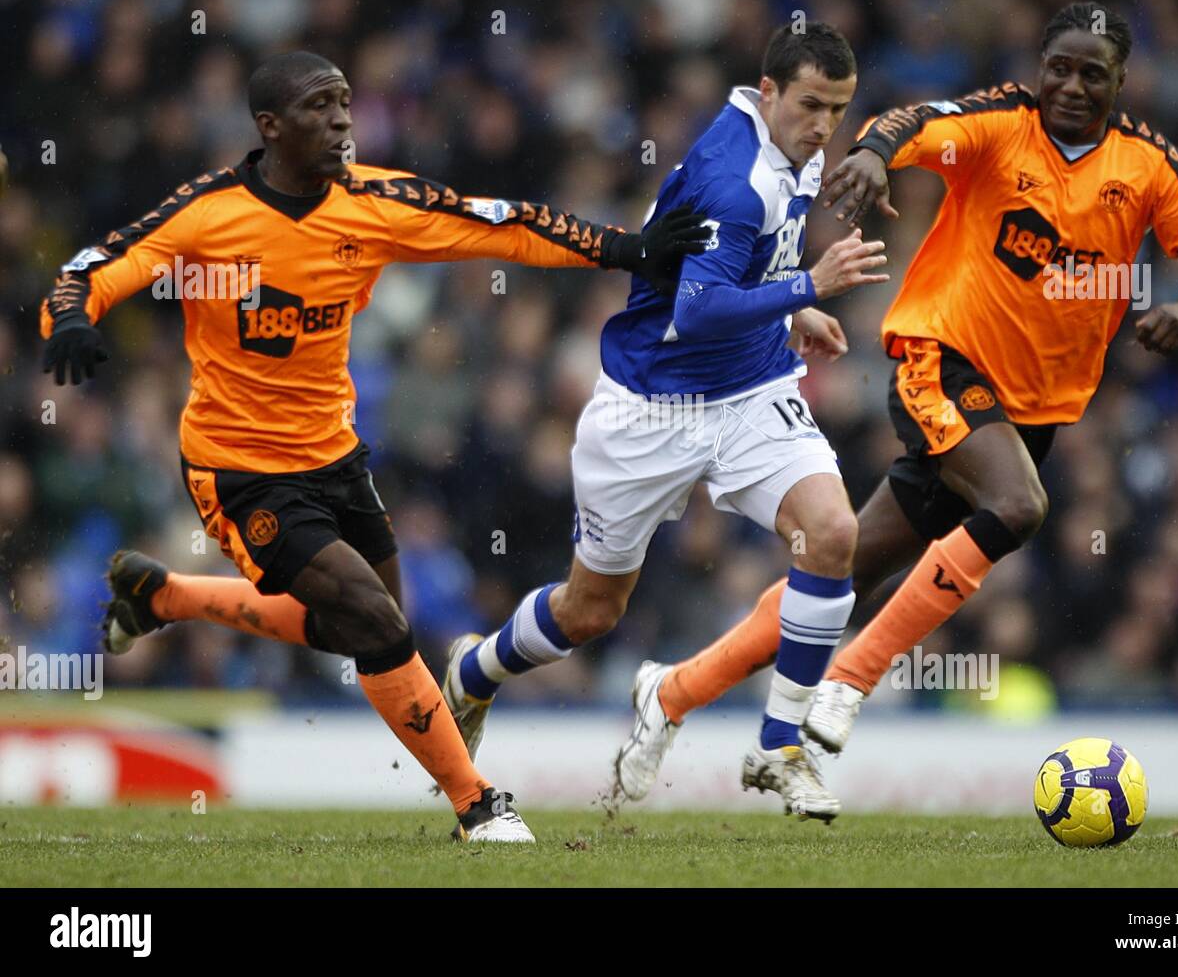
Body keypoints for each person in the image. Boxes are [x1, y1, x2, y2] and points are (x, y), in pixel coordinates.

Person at [40, 50, 708, 843]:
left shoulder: (372, 201)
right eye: (321, 107)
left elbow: (497, 224)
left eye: (346, 104)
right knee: (376, 624)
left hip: (335, 454)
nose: (342, 120)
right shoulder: (209, 213)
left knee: (351, 627)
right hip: (239, 467)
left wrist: (626, 249)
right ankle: (478, 803)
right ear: (270, 127)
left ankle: (168, 597)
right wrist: (72, 319)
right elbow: (100, 265)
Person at [613, 1, 1178, 797]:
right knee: (1020, 507)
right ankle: (851, 679)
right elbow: (912, 121)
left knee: (837, 581)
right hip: (939, 360)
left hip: (1033, 407)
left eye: (1094, 73)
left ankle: (670, 692)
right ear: (1039, 63)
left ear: (1121, 80)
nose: (1072, 85)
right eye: (1059, 66)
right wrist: (879, 154)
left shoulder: (1148, 164)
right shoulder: (999, 123)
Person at [443, 23, 889, 822]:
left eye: (839, 108)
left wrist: (791, 309)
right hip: (651, 408)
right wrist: (806, 288)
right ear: (768, 93)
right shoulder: (734, 175)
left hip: (750, 391)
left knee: (832, 532)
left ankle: (781, 746)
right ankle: (475, 674)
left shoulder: (798, 147)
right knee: (590, 611)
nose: (824, 125)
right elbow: (698, 306)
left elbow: (741, 268)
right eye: (812, 105)